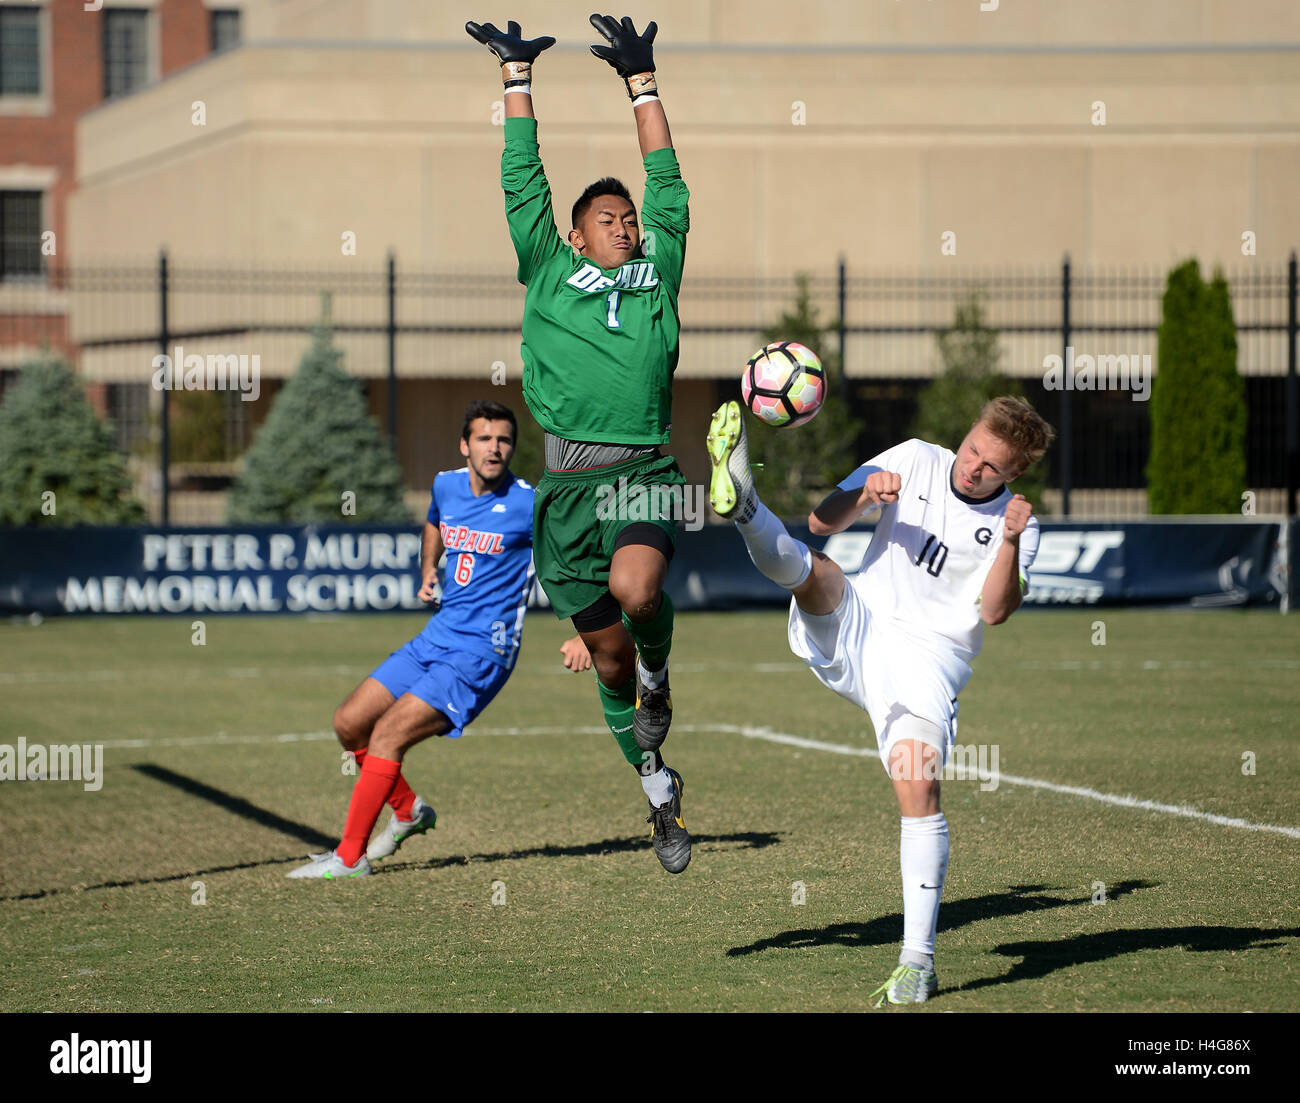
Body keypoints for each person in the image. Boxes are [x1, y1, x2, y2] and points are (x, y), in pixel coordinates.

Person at [707, 395, 1055, 1002]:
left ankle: (917, 961)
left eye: (991, 467)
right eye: (973, 449)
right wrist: (866, 496)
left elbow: (995, 612)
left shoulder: (1020, 526)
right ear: (967, 432)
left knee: (917, 786)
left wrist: (1009, 541)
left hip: (929, 661)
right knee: (814, 568)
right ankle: (745, 506)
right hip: (864, 617)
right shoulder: (917, 457)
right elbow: (821, 522)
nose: (973, 468)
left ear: (1015, 474)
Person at [465, 15, 692, 873]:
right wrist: (516, 76)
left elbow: (666, 180)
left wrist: (643, 82)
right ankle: (657, 788)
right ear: (575, 234)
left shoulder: (656, 270)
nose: (627, 224)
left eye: (629, 216)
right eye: (608, 217)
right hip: (563, 492)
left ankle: (660, 679)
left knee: (638, 596)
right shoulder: (546, 266)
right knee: (605, 661)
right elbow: (522, 175)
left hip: (645, 471)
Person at [288, 400, 590, 878]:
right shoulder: (446, 485)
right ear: (464, 445)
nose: (495, 448)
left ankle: (349, 858)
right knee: (349, 723)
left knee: (387, 735)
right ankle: (407, 812)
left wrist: (584, 634)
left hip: (482, 652)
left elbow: (571, 561)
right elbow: (433, 520)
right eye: (485, 438)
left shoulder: (529, 503)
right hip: (436, 636)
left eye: (505, 439)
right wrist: (429, 567)